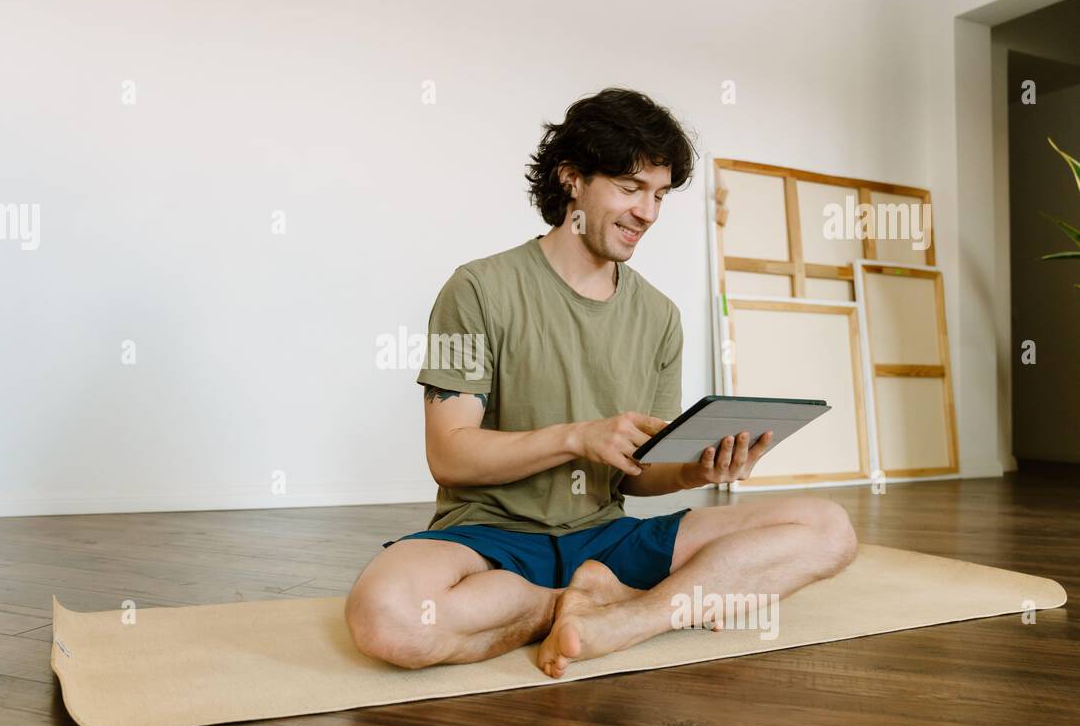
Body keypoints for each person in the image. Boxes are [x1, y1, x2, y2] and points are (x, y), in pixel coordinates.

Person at [345, 88, 858, 678]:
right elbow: (449, 455)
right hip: (490, 539)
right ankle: (569, 605)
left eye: (660, 194)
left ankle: (625, 620)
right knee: (388, 617)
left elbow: (639, 473)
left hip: (607, 537)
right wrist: (576, 438)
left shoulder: (661, 316)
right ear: (571, 180)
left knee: (828, 529)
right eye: (630, 187)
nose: (649, 212)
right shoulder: (476, 289)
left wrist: (696, 469)